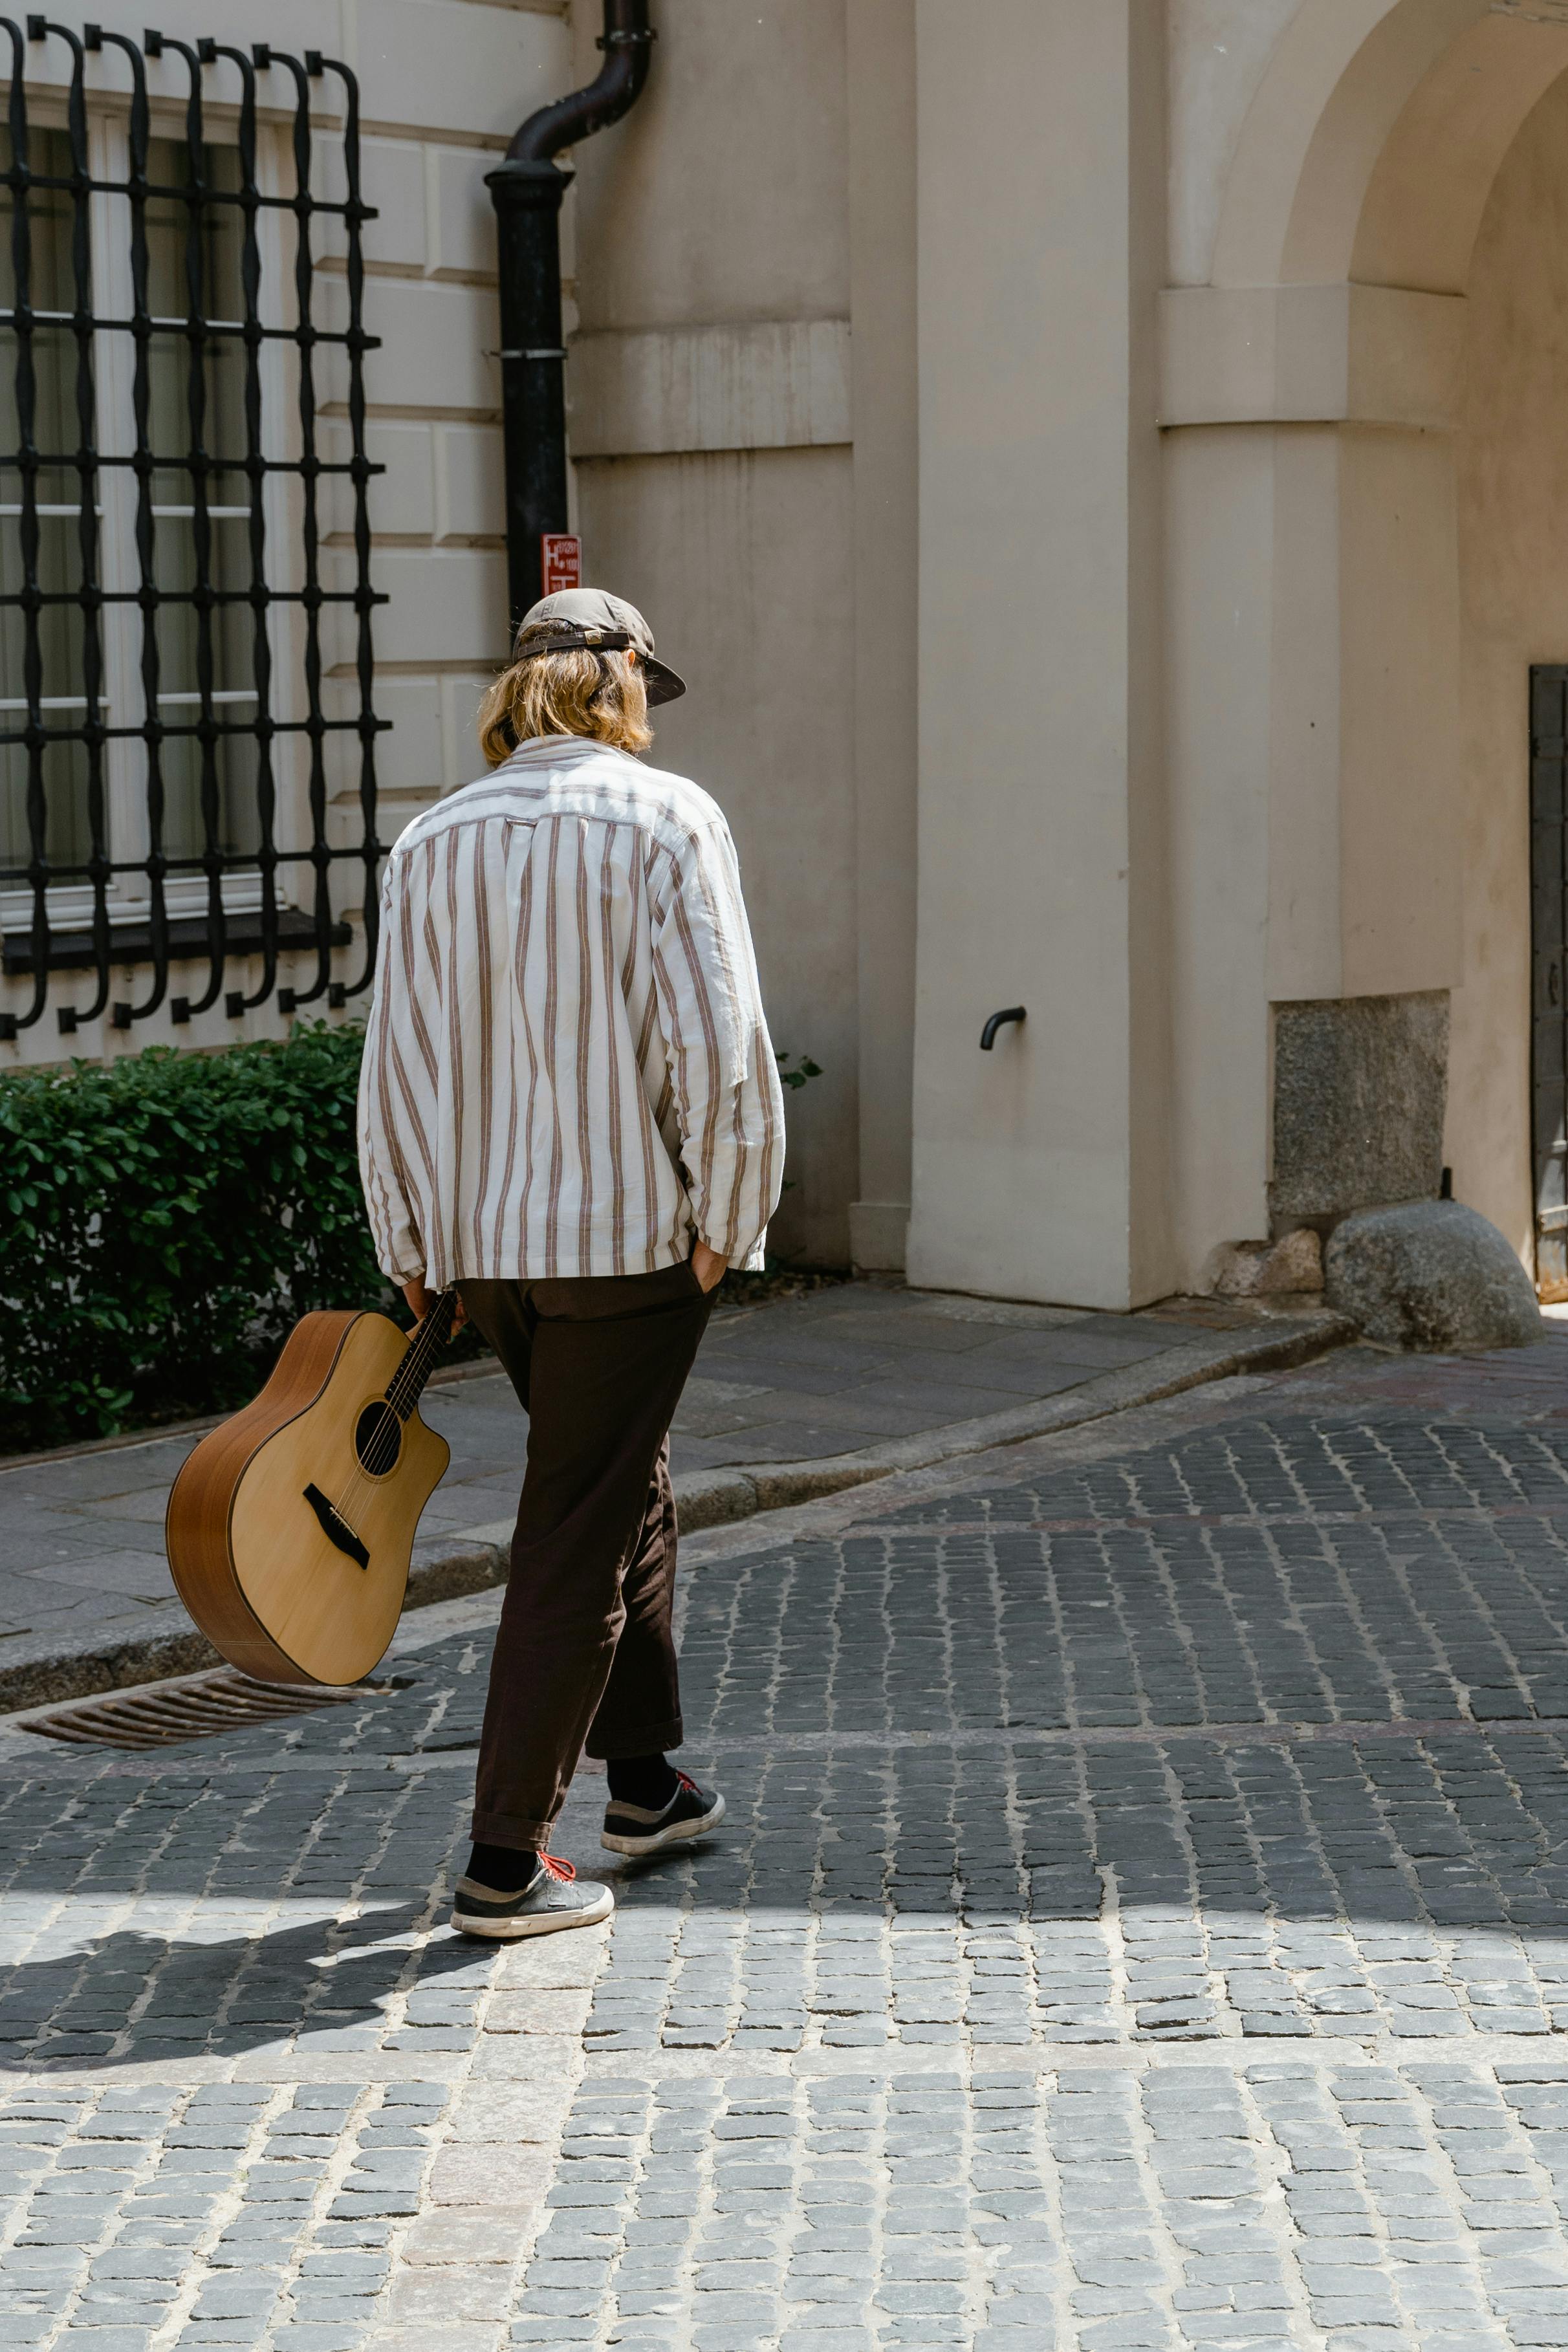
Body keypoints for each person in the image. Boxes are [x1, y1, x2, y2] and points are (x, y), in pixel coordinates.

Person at [357, 587, 785, 1939]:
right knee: (576, 1525)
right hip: (627, 1245)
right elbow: (714, 1037)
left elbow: (400, 1063)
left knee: (617, 1479)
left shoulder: (431, 839)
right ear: (619, 688)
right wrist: (733, 1214)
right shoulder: (669, 819)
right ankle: (503, 1858)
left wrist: (413, 1235)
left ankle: (646, 1785)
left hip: (493, 1255)